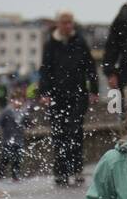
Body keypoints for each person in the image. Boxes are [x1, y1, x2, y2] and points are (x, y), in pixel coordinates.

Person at [38, 11, 98, 185]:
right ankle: (61, 172)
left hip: (78, 94)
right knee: (59, 134)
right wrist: (45, 93)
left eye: (70, 22)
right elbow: (45, 70)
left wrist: (93, 90)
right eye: (64, 22)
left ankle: (76, 169)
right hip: (58, 95)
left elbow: (90, 67)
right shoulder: (51, 44)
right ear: (58, 24)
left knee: (75, 131)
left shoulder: (80, 42)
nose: (68, 26)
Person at [0, 89, 30, 180]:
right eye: (17, 100)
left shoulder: (23, 113)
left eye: (21, 101)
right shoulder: (7, 111)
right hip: (7, 139)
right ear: (12, 101)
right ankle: (1, 175)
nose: (19, 103)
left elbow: (27, 122)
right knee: (5, 158)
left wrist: (29, 124)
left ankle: (15, 176)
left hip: (19, 139)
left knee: (17, 159)